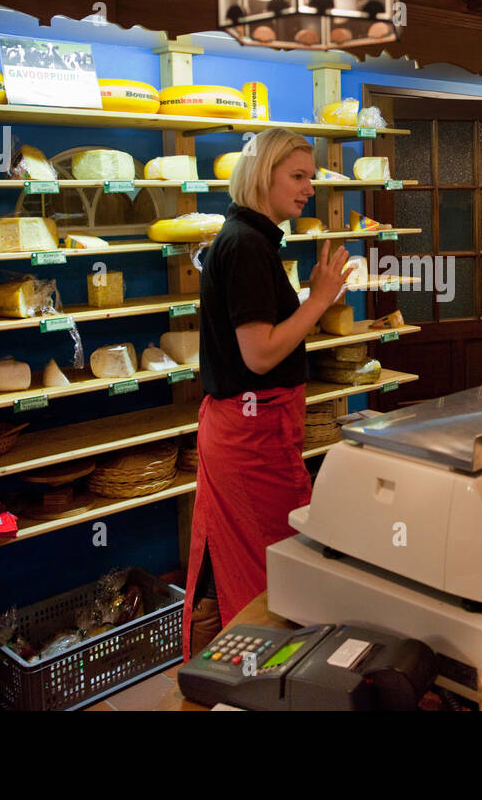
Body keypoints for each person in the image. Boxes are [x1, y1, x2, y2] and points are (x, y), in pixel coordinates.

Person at [183, 129, 350, 657]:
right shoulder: (248, 245)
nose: (308, 189)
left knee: (246, 562)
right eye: (297, 176)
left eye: (312, 177)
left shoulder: (247, 238)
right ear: (264, 175)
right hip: (249, 435)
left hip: (247, 428)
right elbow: (260, 354)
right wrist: (319, 299)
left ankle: (243, 675)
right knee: (268, 571)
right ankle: (259, 675)